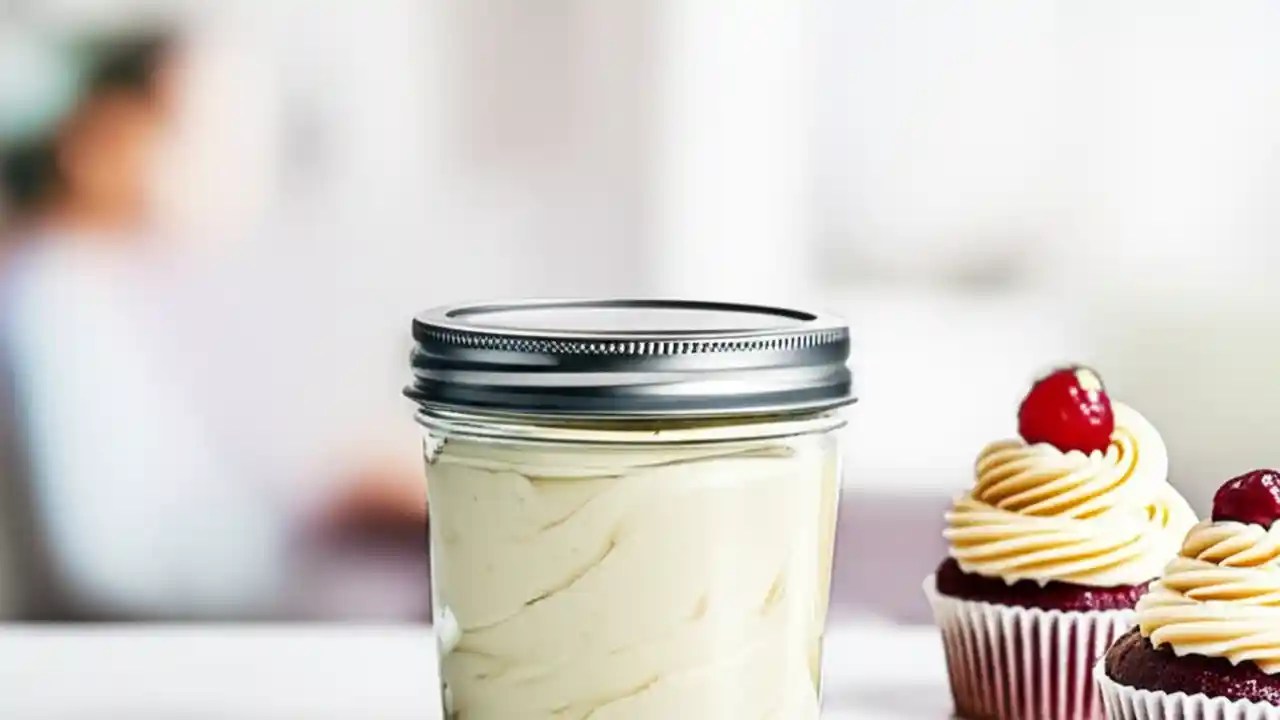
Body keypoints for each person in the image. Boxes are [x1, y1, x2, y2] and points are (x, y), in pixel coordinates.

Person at [0, 30, 426, 620]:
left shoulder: (96, 290)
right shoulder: (48, 301)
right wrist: (325, 514)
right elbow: (113, 565)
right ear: (101, 138)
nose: (233, 167)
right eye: (206, 132)